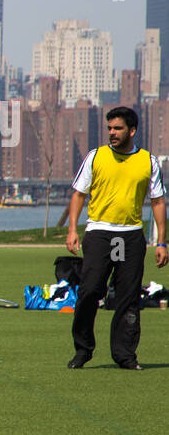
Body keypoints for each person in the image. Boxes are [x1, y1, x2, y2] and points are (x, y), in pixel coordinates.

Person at [65, 106, 167, 370]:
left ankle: (125, 356)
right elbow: (78, 194)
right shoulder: (95, 156)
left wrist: (161, 242)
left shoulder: (148, 161)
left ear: (132, 131)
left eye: (117, 128)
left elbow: (157, 202)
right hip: (99, 234)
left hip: (130, 237)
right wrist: (73, 230)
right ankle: (83, 350)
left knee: (128, 297)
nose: (112, 132)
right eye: (109, 128)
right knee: (89, 291)